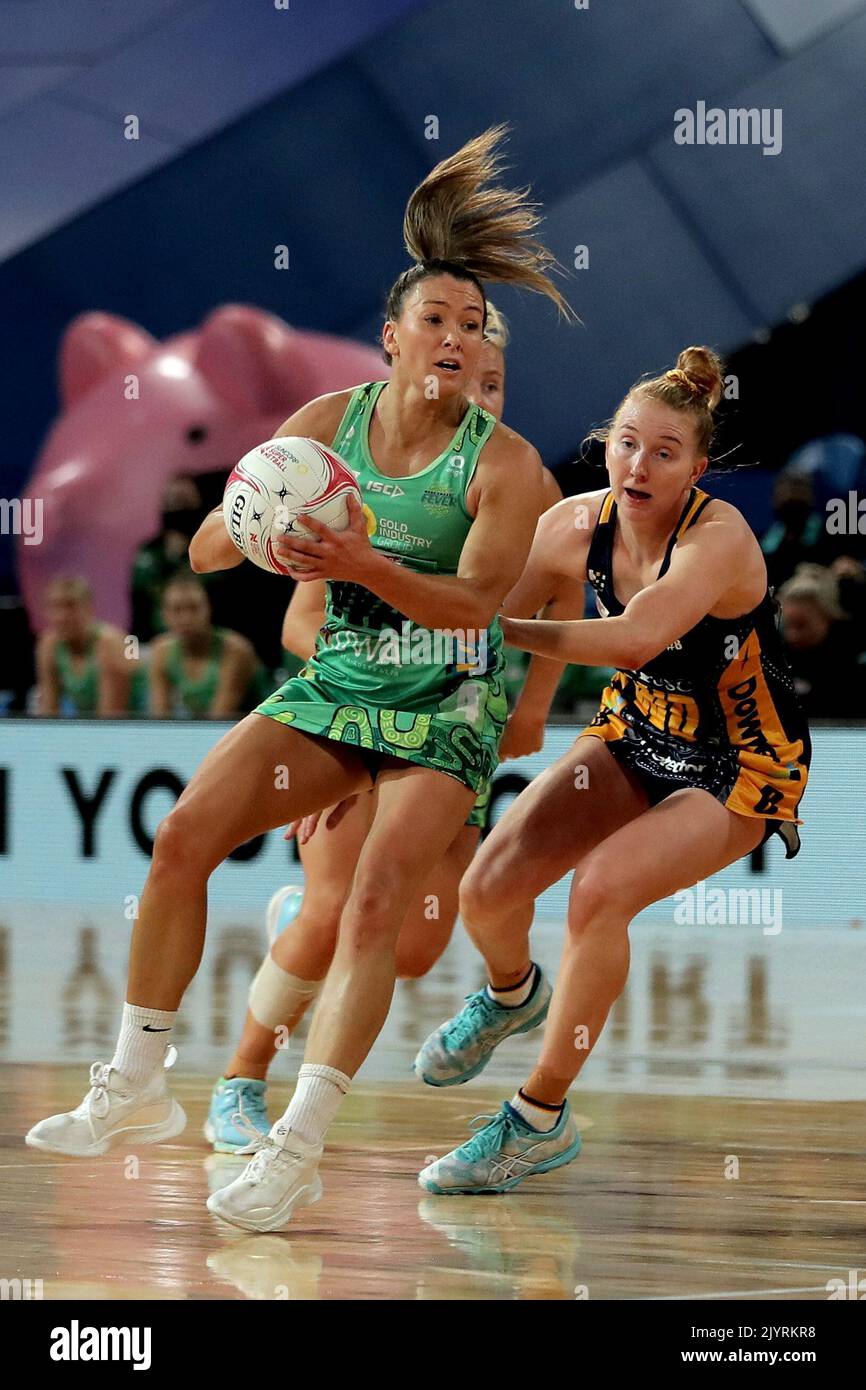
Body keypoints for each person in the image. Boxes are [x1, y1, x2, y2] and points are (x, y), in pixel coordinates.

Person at [26, 128, 573, 1233]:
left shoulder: (508, 467)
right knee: (182, 838)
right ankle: (136, 1084)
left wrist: (361, 556)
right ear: (390, 340)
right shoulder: (327, 426)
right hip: (335, 688)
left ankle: (294, 1147)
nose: (458, 338)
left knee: (382, 915)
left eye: (474, 325)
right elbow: (207, 554)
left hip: (442, 710)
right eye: (438, 320)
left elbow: (475, 608)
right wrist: (263, 521)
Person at [413, 346, 811, 1195]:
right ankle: (514, 994)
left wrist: (502, 634)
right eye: (627, 442)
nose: (639, 463)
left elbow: (633, 638)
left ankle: (536, 1120)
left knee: (599, 891)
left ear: (698, 468)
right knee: (486, 890)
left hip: (739, 759)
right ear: (606, 445)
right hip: (636, 731)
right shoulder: (571, 526)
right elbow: (468, 616)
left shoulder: (720, 536)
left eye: (665, 452)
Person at [203, 301, 580, 1153]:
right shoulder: (367, 486)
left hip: (453, 732)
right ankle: (241, 1082)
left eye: (495, 383)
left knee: (412, 949)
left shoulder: (523, 487)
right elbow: (302, 624)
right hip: (357, 712)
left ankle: (319, 946)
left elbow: (564, 590)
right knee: (340, 907)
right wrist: (332, 719)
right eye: (465, 377)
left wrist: (529, 706)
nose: (477, 395)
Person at [149, 573, 263, 718]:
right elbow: (160, 718)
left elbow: (219, 718)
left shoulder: (235, 650)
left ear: (208, 608)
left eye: (194, 608)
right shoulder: (161, 651)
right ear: (164, 614)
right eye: (176, 610)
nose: (186, 618)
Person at [35, 576, 147, 716]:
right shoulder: (49, 645)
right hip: (89, 727)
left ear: (89, 608)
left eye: (71, 606)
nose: (61, 616)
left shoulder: (113, 643)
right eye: (55, 607)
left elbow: (110, 716)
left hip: (136, 729)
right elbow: (48, 710)